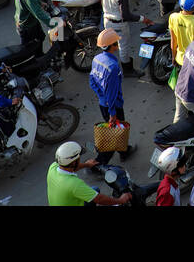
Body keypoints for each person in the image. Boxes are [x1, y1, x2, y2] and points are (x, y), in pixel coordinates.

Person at [89, 28, 130, 165]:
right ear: (112, 46)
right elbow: (111, 94)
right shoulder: (112, 67)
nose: (117, 45)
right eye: (116, 43)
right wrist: (113, 113)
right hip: (114, 107)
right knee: (114, 134)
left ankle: (124, 151)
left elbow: (92, 81)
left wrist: (101, 95)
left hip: (103, 104)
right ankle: (99, 163)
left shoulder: (96, 59)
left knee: (118, 130)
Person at [48, 141, 131, 206]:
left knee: (94, 189)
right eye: (79, 158)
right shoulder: (74, 184)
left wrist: (87, 164)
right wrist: (120, 200)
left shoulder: (53, 167)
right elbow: (99, 199)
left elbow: (71, 167)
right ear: (74, 162)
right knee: (96, 194)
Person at [168, 0, 194, 77]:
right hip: (193, 62)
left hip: (180, 59)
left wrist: (173, 57)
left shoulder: (173, 17)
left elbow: (173, 41)